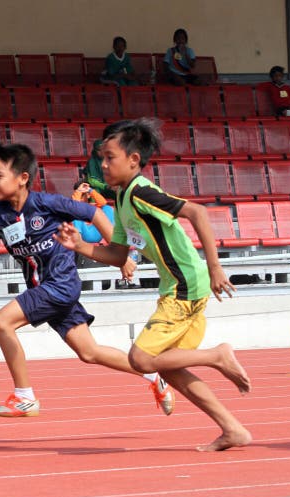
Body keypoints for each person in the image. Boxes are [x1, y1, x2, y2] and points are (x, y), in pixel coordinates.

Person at [0, 143, 171, 418]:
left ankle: (24, 397)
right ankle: (153, 374)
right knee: (89, 352)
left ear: (22, 178)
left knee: (1, 322)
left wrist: (120, 253)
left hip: (60, 284)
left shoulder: (47, 203)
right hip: (44, 289)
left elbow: (94, 212)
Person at [53, 118, 252, 451]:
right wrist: (80, 246)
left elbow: (198, 213)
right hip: (181, 285)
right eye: (102, 158)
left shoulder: (141, 192)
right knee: (170, 367)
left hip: (184, 286)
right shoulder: (122, 199)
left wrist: (216, 267)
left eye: (110, 158)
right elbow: (118, 254)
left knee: (142, 360)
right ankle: (233, 430)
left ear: (133, 160)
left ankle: (217, 356)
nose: (103, 165)